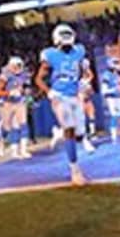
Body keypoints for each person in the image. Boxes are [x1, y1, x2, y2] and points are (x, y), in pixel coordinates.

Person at [36, 24, 92, 186]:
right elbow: (38, 79)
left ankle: (59, 133)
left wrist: (84, 82)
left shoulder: (79, 51)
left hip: (74, 95)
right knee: (70, 129)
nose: (66, 38)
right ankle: (75, 170)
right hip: (59, 96)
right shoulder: (51, 55)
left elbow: (86, 72)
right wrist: (49, 92)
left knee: (80, 134)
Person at [0, 56, 32, 159]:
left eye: (19, 65)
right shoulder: (5, 76)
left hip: (19, 102)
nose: (18, 68)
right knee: (7, 128)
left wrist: (26, 92)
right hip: (7, 103)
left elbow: (26, 87)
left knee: (22, 125)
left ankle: (22, 150)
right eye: (15, 66)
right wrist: (9, 93)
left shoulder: (24, 75)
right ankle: (1, 141)